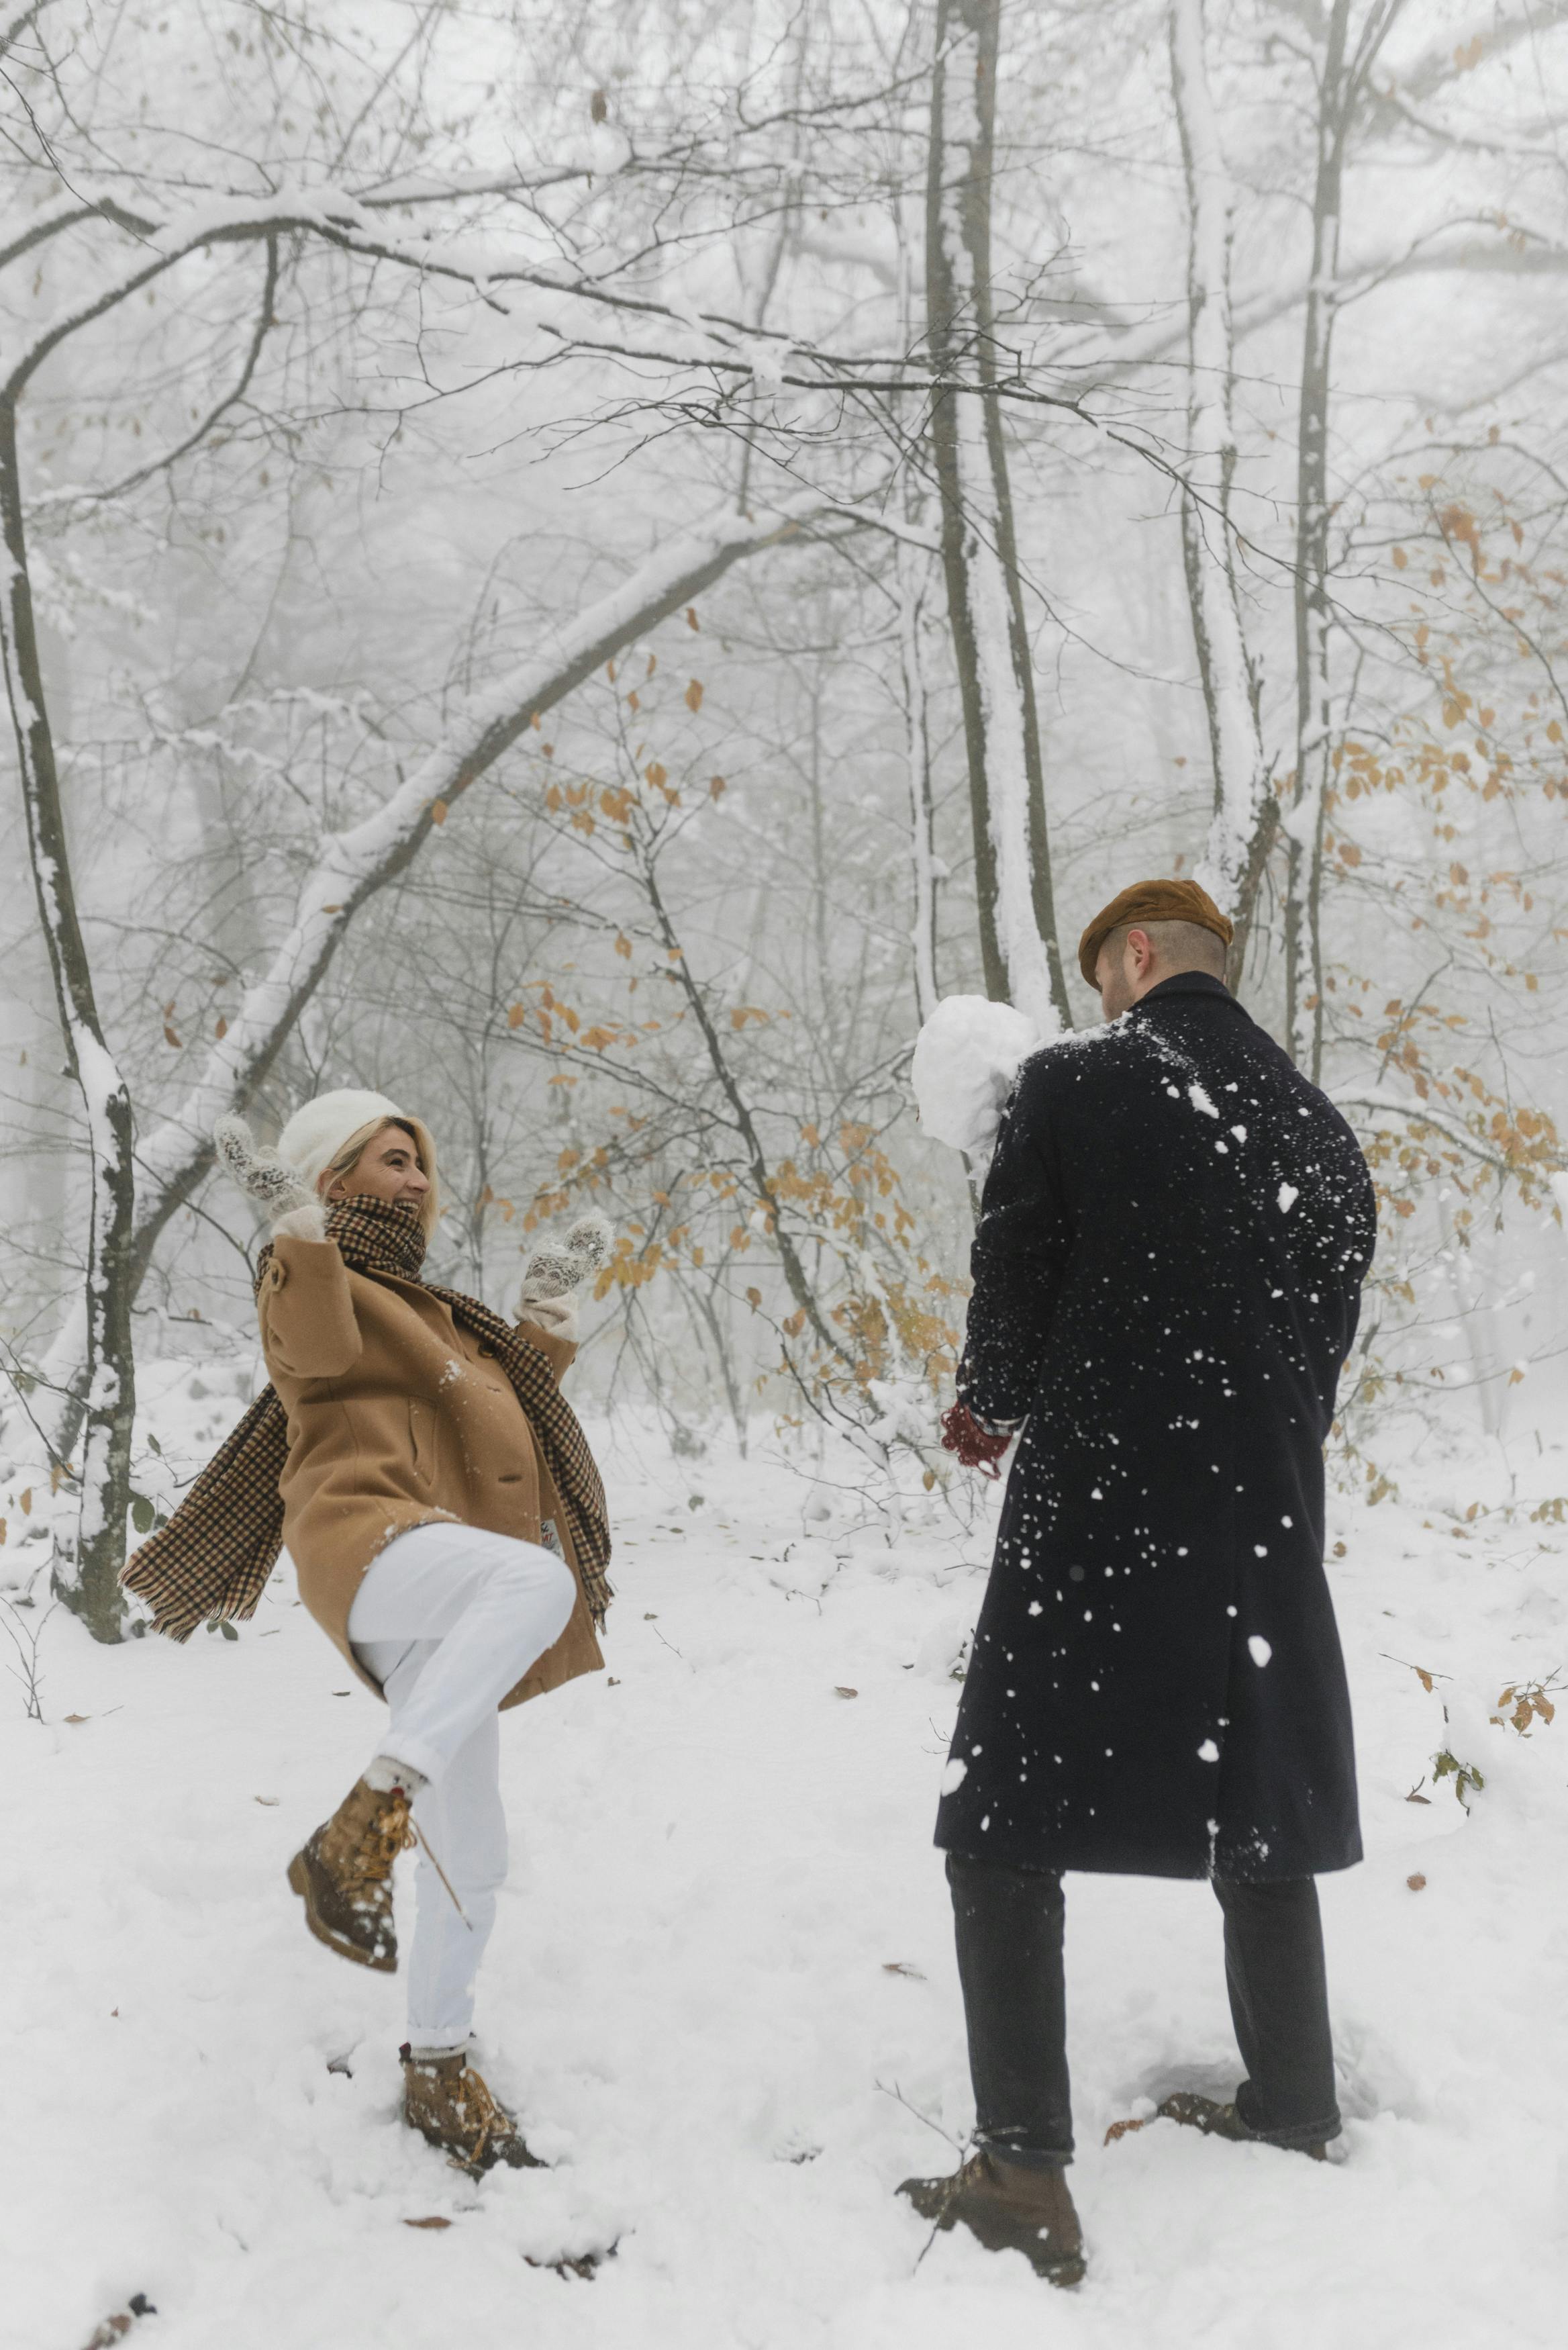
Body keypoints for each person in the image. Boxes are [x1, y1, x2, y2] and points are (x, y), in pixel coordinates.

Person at [899, 880, 1377, 2286]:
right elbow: (1324, 1341)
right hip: (1265, 1504)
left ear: (1135, 956)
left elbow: (1019, 1282)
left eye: (1103, 967)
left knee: (1001, 1815)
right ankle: (1292, 2102)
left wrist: (991, 1399)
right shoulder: (1323, 1133)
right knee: (1259, 1795)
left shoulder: (1077, 1081)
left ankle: (1021, 2168)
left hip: (1107, 1498)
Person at [124, 1088, 613, 2172]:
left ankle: (439, 2067)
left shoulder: (438, 1311)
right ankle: (366, 1820)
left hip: (445, 1558)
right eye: (392, 1160)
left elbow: (496, 1417)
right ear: (334, 1176)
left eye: (421, 1162)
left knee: (472, 1850)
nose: (417, 1178)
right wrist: (294, 1240)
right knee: (538, 1587)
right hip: (368, 1536)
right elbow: (310, 1348)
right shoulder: (326, 1283)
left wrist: (539, 1328)